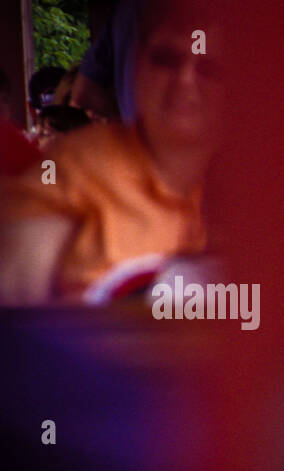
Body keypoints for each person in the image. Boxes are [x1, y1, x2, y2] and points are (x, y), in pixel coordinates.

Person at [0, 0, 223, 305]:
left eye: (208, 67)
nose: (185, 79)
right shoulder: (75, 173)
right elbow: (18, 312)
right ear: (136, 66)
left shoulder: (279, 176)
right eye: (166, 59)